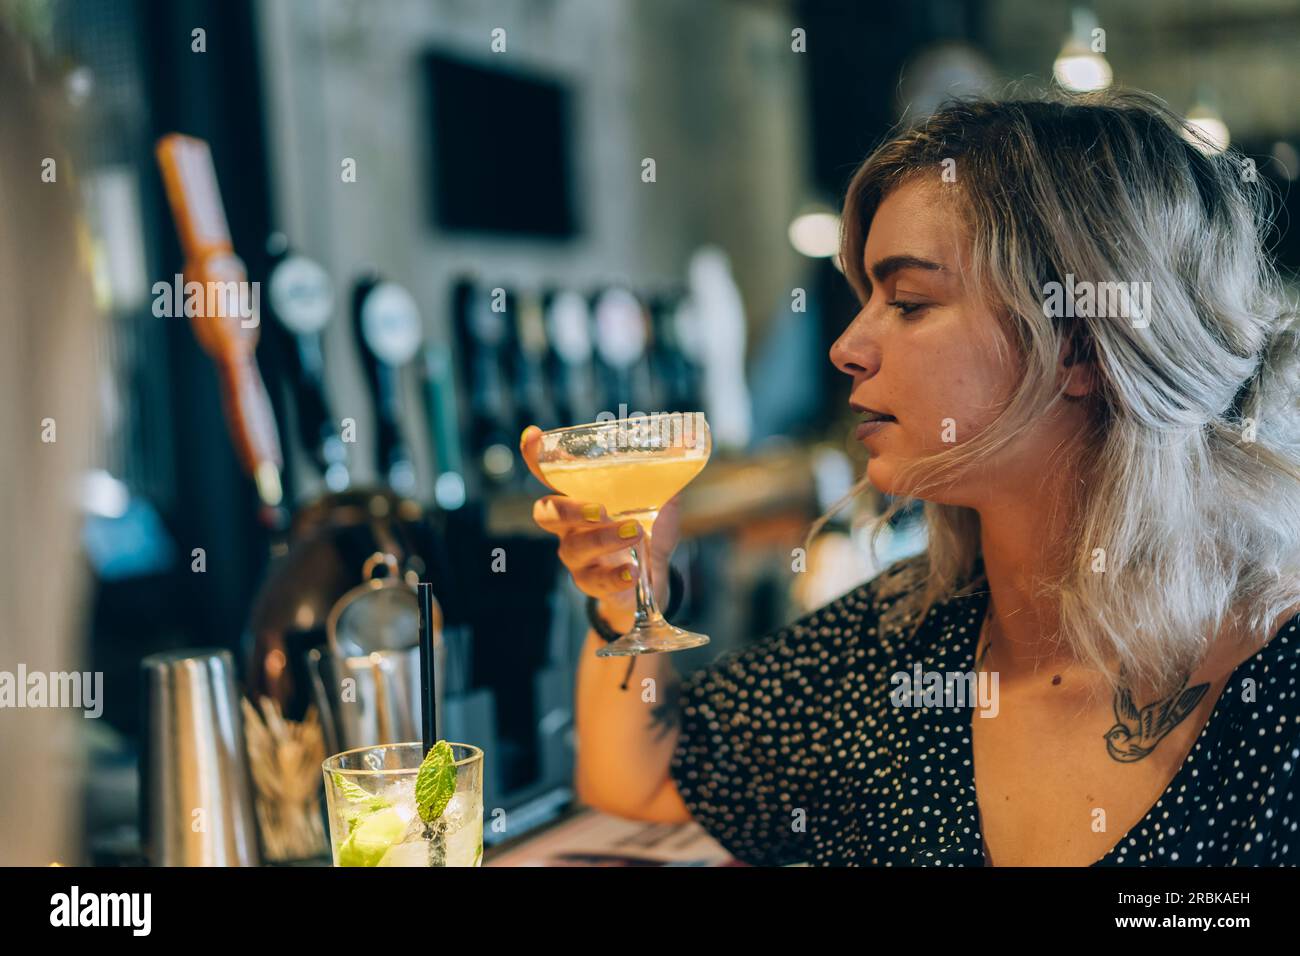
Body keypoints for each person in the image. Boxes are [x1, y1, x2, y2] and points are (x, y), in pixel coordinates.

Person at [522, 90, 1300, 867]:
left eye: (910, 301)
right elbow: (636, 778)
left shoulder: (1278, 680)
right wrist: (629, 599)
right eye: (867, 299)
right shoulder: (901, 643)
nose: (848, 346)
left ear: (1082, 346)